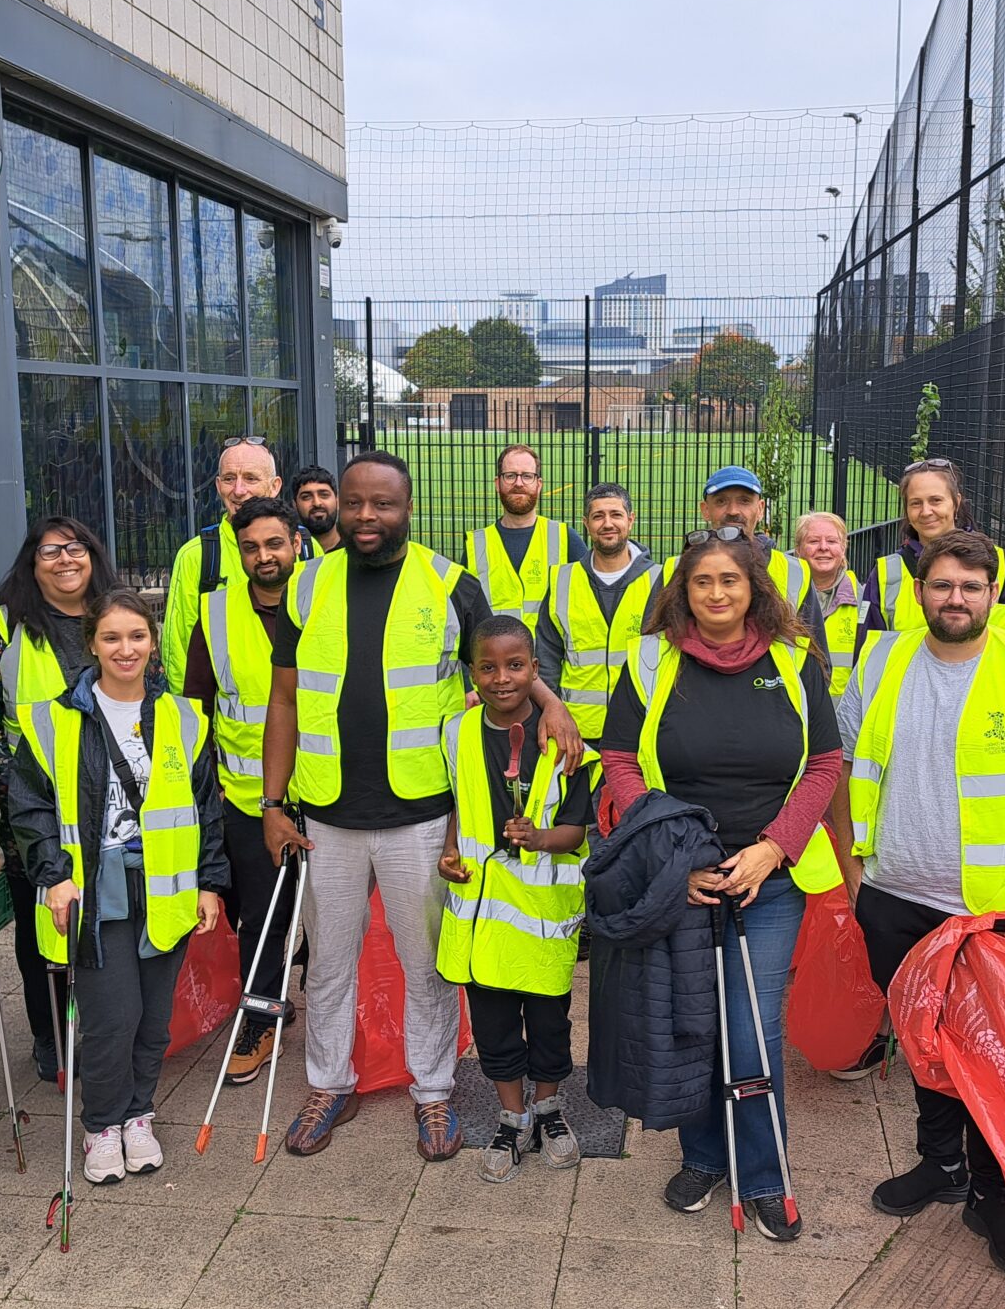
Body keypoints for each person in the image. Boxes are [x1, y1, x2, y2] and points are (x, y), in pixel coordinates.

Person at [259, 450, 585, 1161]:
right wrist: (272, 802)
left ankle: (434, 1094)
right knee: (331, 964)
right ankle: (329, 1084)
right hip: (325, 814)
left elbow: (506, 659)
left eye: (384, 503)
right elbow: (283, 697)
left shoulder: (449, 585)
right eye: (355, 503)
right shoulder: (308, 585)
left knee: (428, 966)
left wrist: (551, 701)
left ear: (410, 509)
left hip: (421, 814)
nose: (367, 516)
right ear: (338, 507)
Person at [832, 529, 1005, 1278]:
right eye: (942, 585)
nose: (956, 599)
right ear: (921, 591)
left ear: (994, 595)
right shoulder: (881, 659)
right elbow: (839, 764)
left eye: (972, 588)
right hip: (893, 897)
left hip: (992, 911)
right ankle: (940, 1163)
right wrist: (853, 872)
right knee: (922, 1042)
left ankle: (993, 1190)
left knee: (994, 1058)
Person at [599, 527, 845, 1242]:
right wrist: (672, 859)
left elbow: (826, 764)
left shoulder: (795, 661)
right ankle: (704, 1157)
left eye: (729, 582)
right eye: (702, 582)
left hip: (770, 880)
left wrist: (775, 848)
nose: (716, 594)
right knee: (694, 1022)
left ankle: (765, 1175)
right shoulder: (651, 658)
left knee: (749, 1030)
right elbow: (619, 759)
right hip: (685, 876)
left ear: (753, 588)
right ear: (684, 590)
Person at [7, 588, 229, 1183]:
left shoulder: (184, 716)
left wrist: (210, 883)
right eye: (111, 637)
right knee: (112, 1017)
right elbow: (28, 808)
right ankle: (101, 1125)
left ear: (153, 643)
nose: (125, 648)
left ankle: (139, 1115)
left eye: (136, 636)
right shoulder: (55, 718)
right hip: (91, 890)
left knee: (155, 1017)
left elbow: (206, 807)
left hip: (165, 889)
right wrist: (52, 877)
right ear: (92, 645)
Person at [437, 616, 595, 1183]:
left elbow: (576, 832)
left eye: (516, 665)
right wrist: (450, 851)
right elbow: (458, 800)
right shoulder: (456, 732)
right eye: (488, 667)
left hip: (542, 921)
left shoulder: (566, 740)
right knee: (495, 1028)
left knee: (550, 1024)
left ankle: (549, 1109)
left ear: (535, 670)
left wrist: (540, 839)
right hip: (480, 917)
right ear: (473, 673)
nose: (502, 678)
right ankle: (512, 1115)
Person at [0, 516, 123, 1081]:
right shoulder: (3, 627)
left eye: (76, 547)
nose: (65, 559)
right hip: (34, 810)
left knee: (112, 917)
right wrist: (15, 794)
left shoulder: (118, 617)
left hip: (114, 803)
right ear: (30, 563)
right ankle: (52, 1036)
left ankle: (107, 1027)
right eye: (49, 551)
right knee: (44, 927)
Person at [181, 496, 302, 1086]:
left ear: (296, 544)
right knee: (257, 919)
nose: (264, 556)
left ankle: (303, 1009)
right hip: (247, 798)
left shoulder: (324, 602)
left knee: (327, 920)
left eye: (274, 543)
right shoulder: (217, 613)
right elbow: (198, 708)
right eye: (251, 546)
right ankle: (262, 1018)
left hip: (325, 793)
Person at [534, 481, 657, 747]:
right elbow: (546, 658)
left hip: (641, 729)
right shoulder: (562, 581)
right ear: (586, 524)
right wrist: (552, 710)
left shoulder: (659, 580)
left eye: (616, 515)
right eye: (598, 516)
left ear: (631, 520)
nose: (607, 523)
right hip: (576, 733)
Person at [162, 436, 283, 681]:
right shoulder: (195, 557)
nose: (238, 490)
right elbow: (178, 653)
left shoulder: (306, 550)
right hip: (226, 719)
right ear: (218, 486)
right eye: (229, 479)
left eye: (251, 478)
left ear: (275, 486)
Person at [658, 467, 824, 634]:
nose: (733, 511)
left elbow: (814, 649)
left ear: (760, 509)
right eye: (721, 501)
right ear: (705, 510)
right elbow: (654, 643)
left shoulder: (795, 572)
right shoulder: (674, 569)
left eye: (744, 501)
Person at [863, 458, 1005, 631]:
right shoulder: (887, 574)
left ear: (956, 502)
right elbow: (869, 650)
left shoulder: (1000, 564)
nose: (926, 511)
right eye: (916, 503)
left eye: (936, 500)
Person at [464, 443, 580, 626]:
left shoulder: (566, 538)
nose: (519, 483)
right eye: (510, 476)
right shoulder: (476, 545)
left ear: (538, 484)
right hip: (494, 654)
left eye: (527, 476)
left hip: (549, 655)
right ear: (497, 483)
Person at [794, 510, 865, 696]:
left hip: (844, 717)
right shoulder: (783, 596)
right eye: (813, 541)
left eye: (832, 541)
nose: (823, 547)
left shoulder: (864, 600)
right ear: (798, 549)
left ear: (843, 548)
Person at [290, 464, 342, 554]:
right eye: (306, 497)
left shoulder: (356, 548)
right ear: (295, 505)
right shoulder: (289, 553)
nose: (317, 503)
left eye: (324, 495)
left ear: (338, 501)